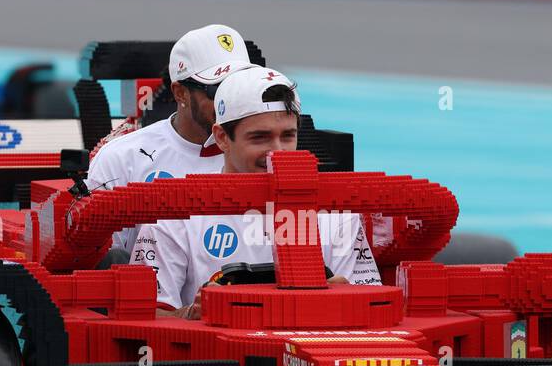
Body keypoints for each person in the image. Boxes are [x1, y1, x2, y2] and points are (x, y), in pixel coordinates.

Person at [131, 67, 381, 319]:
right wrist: (192, 314)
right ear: (222, 138)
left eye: (287, 136)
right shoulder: (173, 217)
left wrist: (349, 299)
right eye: (260, 138)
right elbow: (143, 317)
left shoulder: (337, 216)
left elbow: (375, 310)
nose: (276, 151)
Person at [85, 24, 255, 255]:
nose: (230, 99)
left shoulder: (267, 156)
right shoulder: (121, 158)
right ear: (180, 93)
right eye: (217, 89)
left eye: (239, 85)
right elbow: (105, 260)